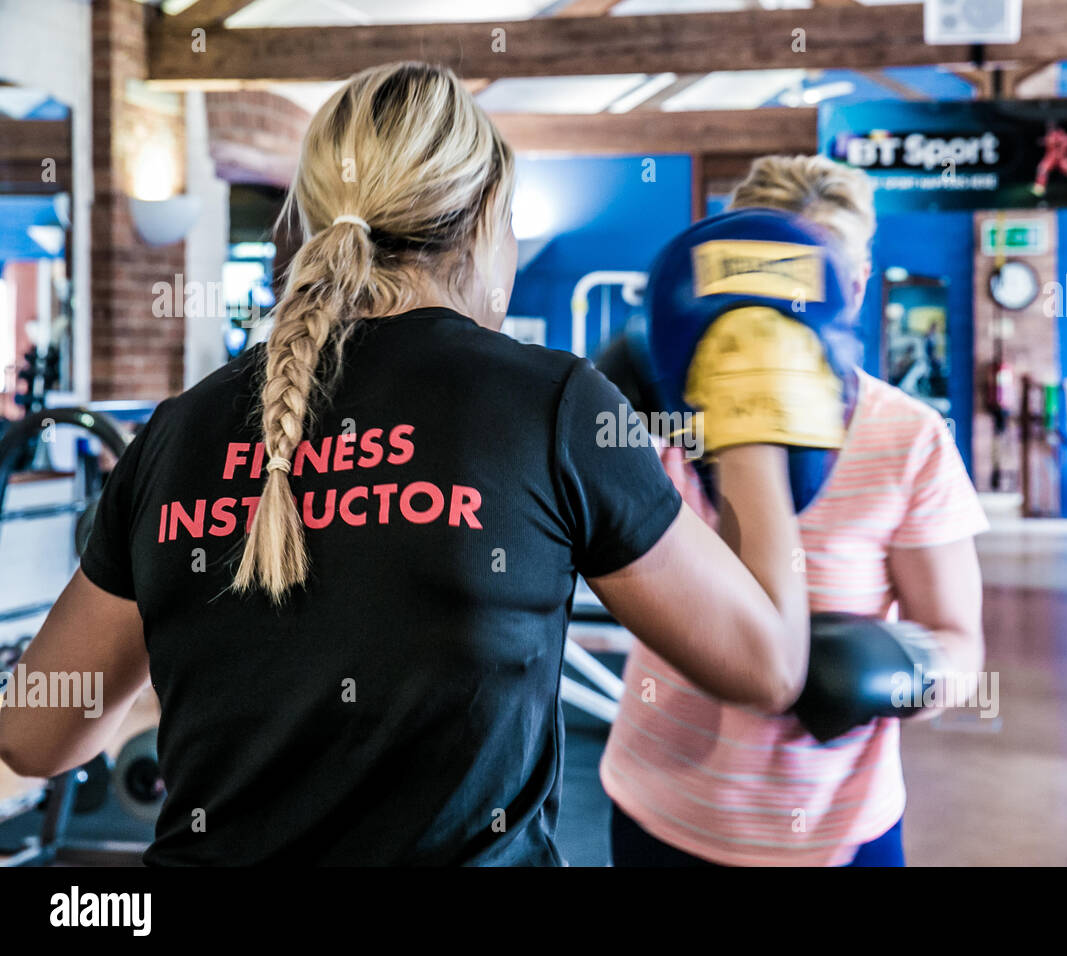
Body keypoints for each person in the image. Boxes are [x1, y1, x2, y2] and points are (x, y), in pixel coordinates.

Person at [0, 62, 813, 866]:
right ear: (489, 215)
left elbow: (34, 736)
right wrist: (754, 426)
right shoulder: (553, 404)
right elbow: (767, 664)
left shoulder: (178, 429)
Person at [600, 155, 989, 867]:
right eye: (766, 285)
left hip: (838, 828)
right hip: (663, 809)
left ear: (858, 286)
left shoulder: (906, 437)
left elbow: (961, 644)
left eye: (813, 284)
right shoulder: (663, 425)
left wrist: (898, 672)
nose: (786, 316)